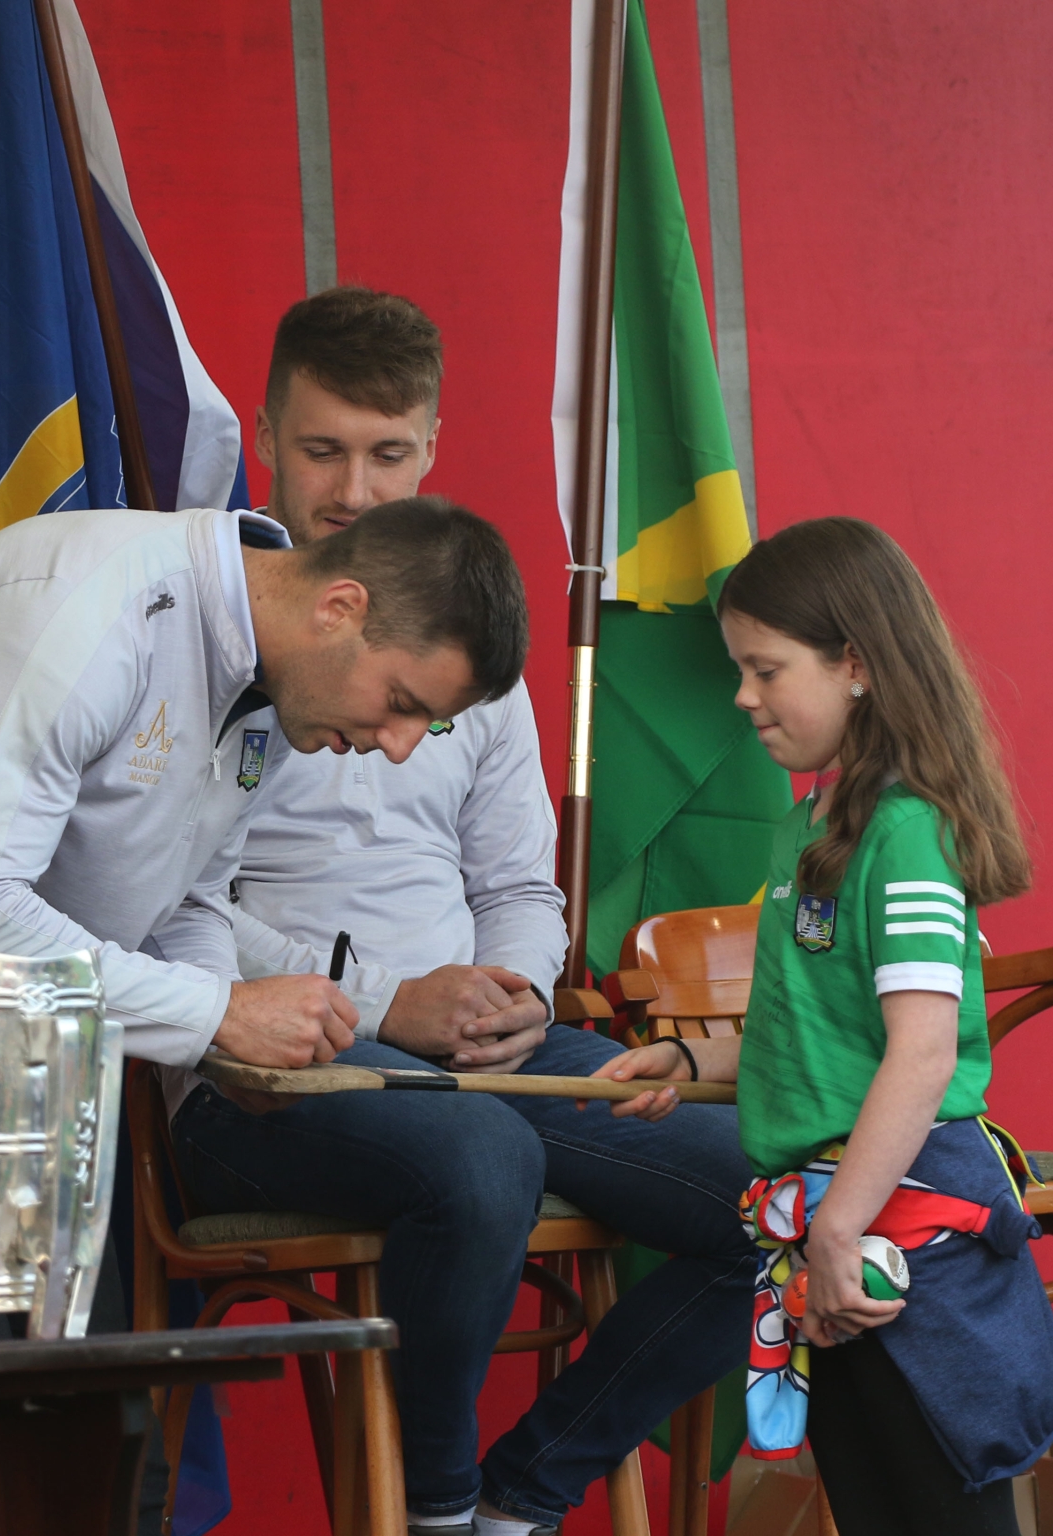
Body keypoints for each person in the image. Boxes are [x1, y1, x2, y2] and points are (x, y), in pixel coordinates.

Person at [0, 495, 528, 1536]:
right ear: (341, 606)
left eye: (429, 723)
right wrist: (216, 1014)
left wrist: (229, 1019)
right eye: (402, 700)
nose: (401, 746)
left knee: (90, 1472)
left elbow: (190, 897)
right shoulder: (80, 613)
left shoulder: (274, 685)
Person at [164, 286, 755, 1536]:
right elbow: (173, 904)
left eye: (388, 454)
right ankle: (434, 1514)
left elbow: (522, 887)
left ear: (431, 446)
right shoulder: (216, 628)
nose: (355, 491)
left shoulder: (476, 641)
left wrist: (518, 995)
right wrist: (389, 1002)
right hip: (266, 1063)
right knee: (483, 1162)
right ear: (268, 430)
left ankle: (518, 1499)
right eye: (323, 450)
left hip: (493, 1051)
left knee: (781, 1193)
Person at [596, 517, 1053, 1536]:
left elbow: (922, 1048)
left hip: (896, 1224)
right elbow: (816, 1034)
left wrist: (842, 1227)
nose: (743, 696)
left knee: (941, 1504)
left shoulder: (907, 834)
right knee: (869, 1503)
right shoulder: (808, 828)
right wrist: (692, 1055)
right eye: (740, 669)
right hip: (834, 1215)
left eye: (766, 670)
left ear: (854, 663)